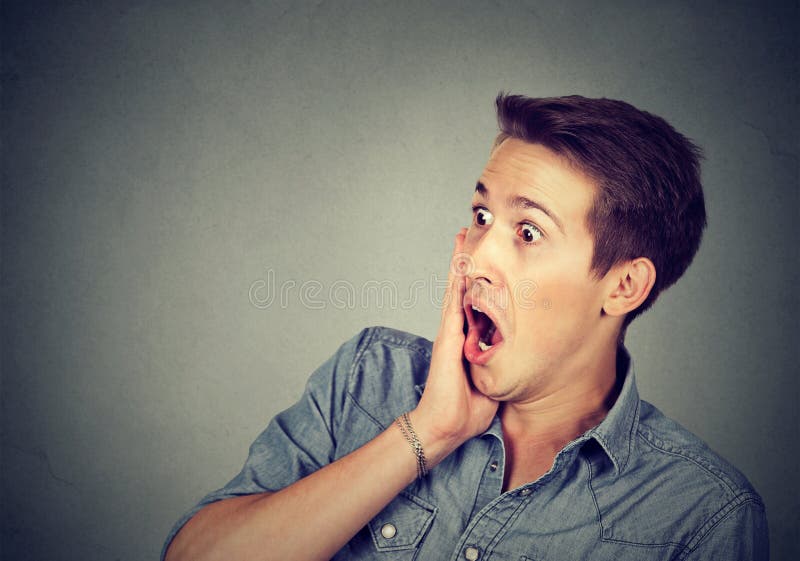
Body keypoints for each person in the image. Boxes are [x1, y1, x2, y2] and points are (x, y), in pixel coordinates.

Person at [162, 94, 768, 561]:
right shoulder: (369, 377)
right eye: (480, 216)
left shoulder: (703, 514)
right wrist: (427, 431)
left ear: (623, 286)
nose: (474, 258)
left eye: (527, 232)